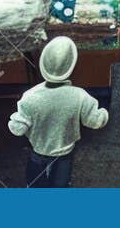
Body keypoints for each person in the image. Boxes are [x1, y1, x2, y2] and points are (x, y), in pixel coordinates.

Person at [8, 36, 108, 187]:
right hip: (65, 152)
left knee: (35, 183)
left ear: (43, 66)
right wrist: (104, 114)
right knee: (61, 183)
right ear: (71, 67)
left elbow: (18, 129)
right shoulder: (80, 96)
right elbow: (94, 121)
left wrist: (15, 119)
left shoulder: (29, 97)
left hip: (39, 150)